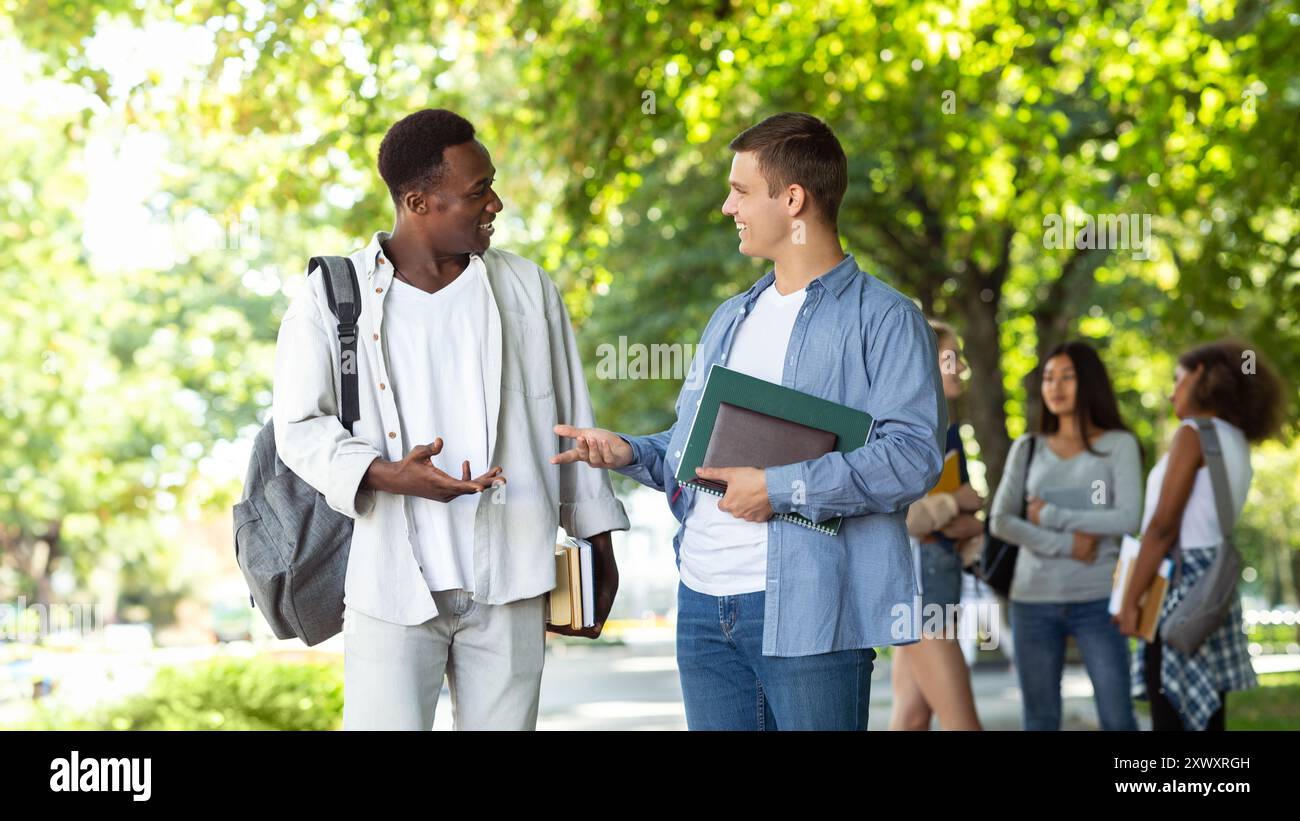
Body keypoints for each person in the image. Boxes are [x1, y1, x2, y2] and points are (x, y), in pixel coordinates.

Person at [552, 112, 946, 730]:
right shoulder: (730, 318)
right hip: (703, 609)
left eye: (740, 190)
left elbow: (912, 456)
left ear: (792, 199)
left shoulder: (887, 320)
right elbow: (696, 452)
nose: (727, 204)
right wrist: (628, 451)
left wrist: (779, 488)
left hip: (812, 609)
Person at [272, 109, 629, 730]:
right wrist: (387, 474)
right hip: (392, 586)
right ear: (417, 201)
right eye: (477, 192)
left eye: (491, 185)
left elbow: (572, 420)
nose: (495, 202)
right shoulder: (333, 295)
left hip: (513, 577)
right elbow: (299, 427)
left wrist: (597, 538)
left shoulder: (525, 288)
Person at [1117, 340, 1283, 731]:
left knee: (1172, 714)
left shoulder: (1193, 433)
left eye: (1178, 379)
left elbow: (1162, 527)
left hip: (1178, 586)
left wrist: (1129, 600)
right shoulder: (1237, 441)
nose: (1172, 391)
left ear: (1203, 376)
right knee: (1208, 716)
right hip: (1213, 587)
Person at [988, 341, 1142, 730]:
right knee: (1040, 719)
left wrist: (1053, 515)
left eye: (1067, 377)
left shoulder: (1118, 445)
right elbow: (1001, 521)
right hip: (1032, 601)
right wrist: (1068, 542)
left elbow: (1128, 518)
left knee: (1117, 718)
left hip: (1098, 601)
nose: (1055, 387)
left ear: (1089, 382)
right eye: (1048, 378)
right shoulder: (1027, 448)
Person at [890, 319, 983, 730]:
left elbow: (957, 516)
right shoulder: (905, 432)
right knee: (964, 724)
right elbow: (900, 515)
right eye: (951, 357)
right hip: (918, 588)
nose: (960, 367)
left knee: (911, 719)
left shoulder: (948, 431)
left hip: (940, 579)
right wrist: (954, 503)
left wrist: (970, 523)